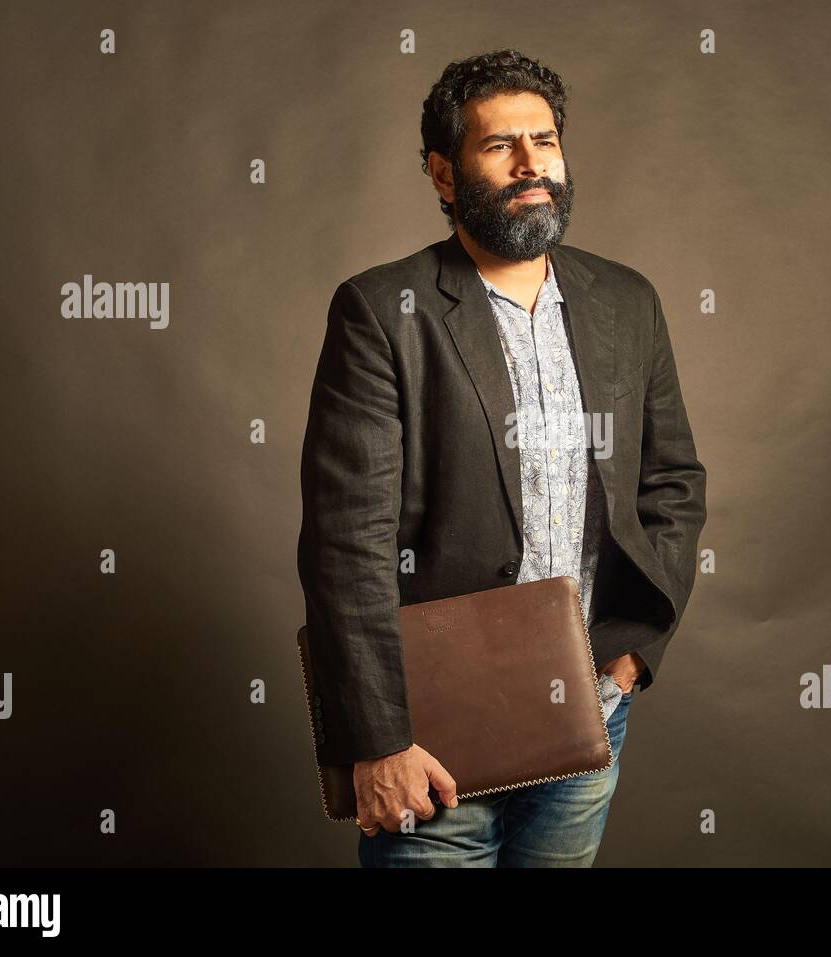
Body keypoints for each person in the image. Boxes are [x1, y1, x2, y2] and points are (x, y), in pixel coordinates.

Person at [296, 48, 707, 866]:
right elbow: (348, 546)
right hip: (432, 739)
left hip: (589, 710)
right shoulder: (383, 312)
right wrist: (378, 742)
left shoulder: (626, 301)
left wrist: (632, 656)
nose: (531, 165)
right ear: (444, 174)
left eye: (545, 140)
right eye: (499, 147)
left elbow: (672, 482)